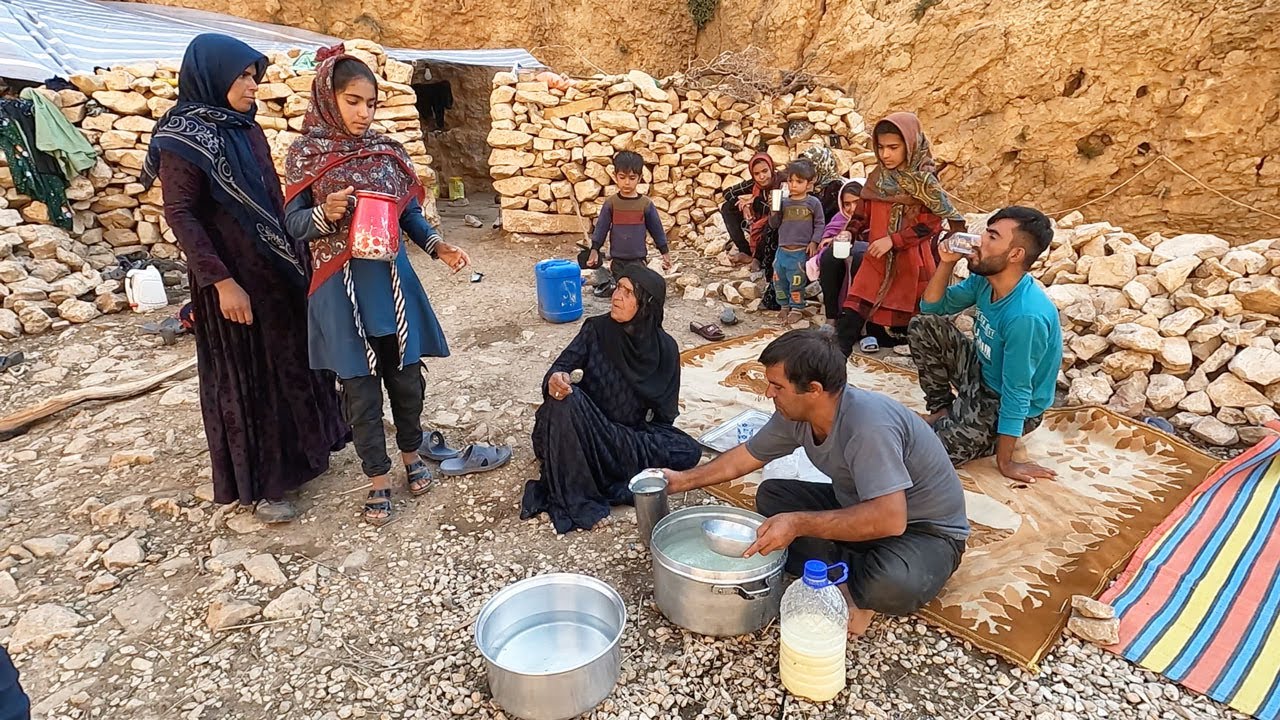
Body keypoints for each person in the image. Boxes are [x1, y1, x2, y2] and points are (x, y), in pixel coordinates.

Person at [143, 34, 348, 524]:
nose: (253, 85)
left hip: (277, 269)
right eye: (242, 76)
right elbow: (181, 215)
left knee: (295, 362)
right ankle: (267, 485)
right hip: (234, 283)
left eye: (255, 75)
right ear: (212, 76)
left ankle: (311, 451)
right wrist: (221, 283)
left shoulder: (245, 128)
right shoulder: (182, 139)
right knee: (252, 379)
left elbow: (270, 198)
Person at [662, 330, 968, 636]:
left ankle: (859, 587)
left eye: (777, 386)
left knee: (893, 582)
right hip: (860, 506)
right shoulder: (795, 414)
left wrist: (798, 524)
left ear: (814, 390)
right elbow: (746, 457)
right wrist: (681, 481)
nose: (768, 393)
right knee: (773, 496)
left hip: (924, 531)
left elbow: (891, 519)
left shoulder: (869, 426)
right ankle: (851, 573)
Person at [283, 50, 470, 526]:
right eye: (353, 101)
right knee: (360, 389)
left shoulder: (386, 153)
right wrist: (324, 213)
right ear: (328, 98)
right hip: (339, 290)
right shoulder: (306, 155)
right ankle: (377, 478)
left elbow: (409, 214)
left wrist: (438, 246)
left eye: (370, 103)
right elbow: (293, 223)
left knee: (406, 378)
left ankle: (411, 455)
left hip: (391, 285)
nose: (363, 113)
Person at [521, 266, 702, 533]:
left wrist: (630, 443)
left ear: (647, 305)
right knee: (566, 400)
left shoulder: (666, 349)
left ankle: (602, 468)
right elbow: (561, 366)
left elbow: (664, 418)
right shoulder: (596, 330)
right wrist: (556, 379)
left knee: (689, 450)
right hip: (582, 429)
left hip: (623, 436)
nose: (617, 296)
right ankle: (583, 495)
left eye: (628, 293)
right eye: (618, 287)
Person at [909, 206, 1062, 482]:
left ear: (1015, 254)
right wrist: (946, 263)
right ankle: (943, 410)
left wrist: (1006, 463)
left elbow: (1017, 391)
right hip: (981, 374)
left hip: (1005, 400)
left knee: (925, 457)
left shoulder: (1025, 316)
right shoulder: (985, 281)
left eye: (992, 236)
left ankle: (981, 433)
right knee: (924, 326)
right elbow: (931, 308)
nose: (979, 240)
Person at [836, 112, 966, 356]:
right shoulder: (877, 177)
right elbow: (861, 215)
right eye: (881, 147)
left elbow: (931, 224)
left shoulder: (925, 182)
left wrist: (893, 240)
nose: (885, 154)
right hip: (877, 259)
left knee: (920, 327)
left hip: (911, 262)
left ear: (910, 144)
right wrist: (848, 234)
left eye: (893, 147)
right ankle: (830, 368)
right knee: (851, 316)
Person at [586, 151, 672, 297]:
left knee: (636, 292)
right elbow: (601, 228)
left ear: (640, 178)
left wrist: (665, 252)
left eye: (632, 178)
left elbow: (656, 229)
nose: (627, 182)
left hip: (638, 259)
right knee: (621, 292)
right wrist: (594, 250)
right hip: (617, 261)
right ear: (615, 176)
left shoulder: (645, 204)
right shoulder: (611, 203)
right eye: (622, 177)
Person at [720, 152, 783, 311]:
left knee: (770, 225)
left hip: (778, 227)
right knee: (728, 207)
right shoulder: (755, 185)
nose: (762, 177)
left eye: (765, 171)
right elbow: (727, 192)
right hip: (757, 222)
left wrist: (754, 202)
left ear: (771, 168)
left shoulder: (781, 182)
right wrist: (743, 202)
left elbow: (777, 211)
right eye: (756, 174)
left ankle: (758, 259)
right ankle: (746, 251)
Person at [768, 159, 825, 324]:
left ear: (809, 184)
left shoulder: (813, 203)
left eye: (799, 181)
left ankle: (797, 308)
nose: (793, 185)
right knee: (778, 280)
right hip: (782, 250)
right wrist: (773, 211)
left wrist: (814, 242)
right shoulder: (784, 203)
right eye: (790, 181)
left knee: (796, 281)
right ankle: (784, 306)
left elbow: (820, 223)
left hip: (800, 251)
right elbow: (774, 225)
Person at [814, 180, 867, 327]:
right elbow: (825, 242)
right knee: (829, 257)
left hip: (866, 258)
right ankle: (832, 316)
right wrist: (838, 238)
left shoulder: (874, 216)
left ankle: (858, 319)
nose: (852, 209)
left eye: (857, 202)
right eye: (847, 204)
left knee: (858, 255)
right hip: (842, 265)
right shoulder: (839, 219)